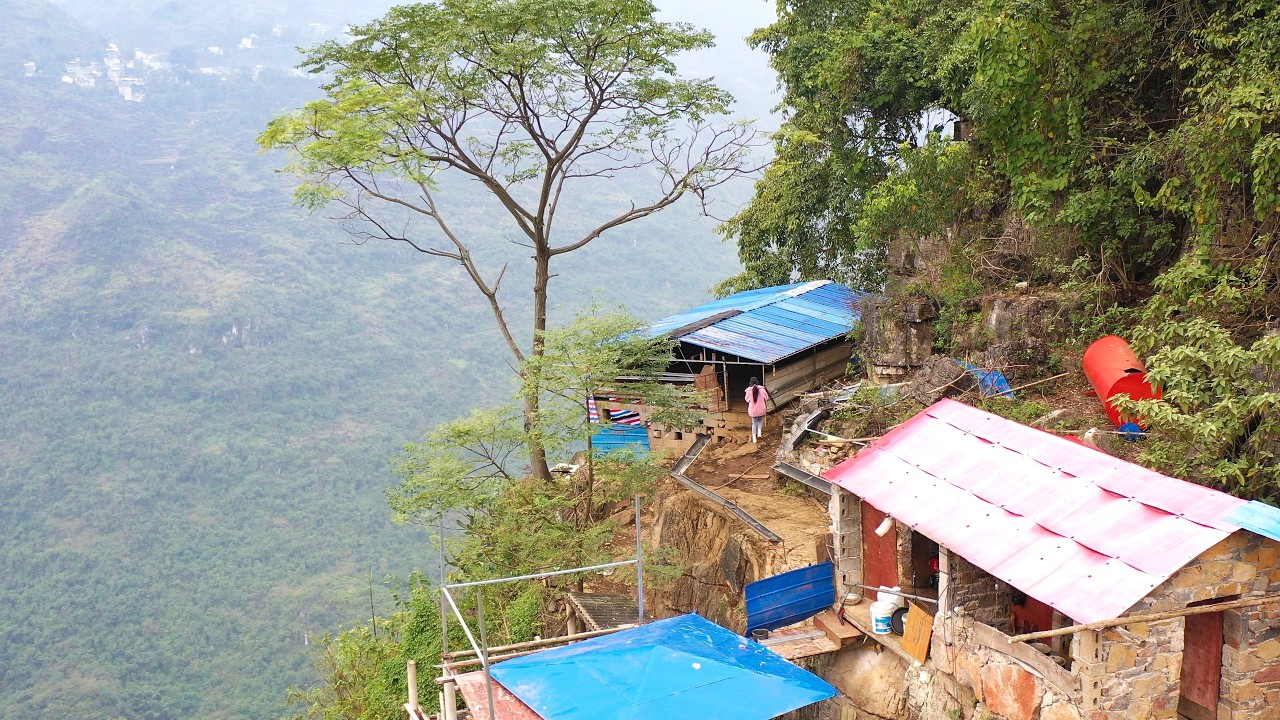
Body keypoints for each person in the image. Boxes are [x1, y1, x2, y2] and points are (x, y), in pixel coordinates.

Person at [745, 377, 770, 443]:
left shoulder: (748, 391)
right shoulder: (762, 390)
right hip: (761, 409)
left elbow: (747, 400)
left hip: (753, 410)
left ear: (750, 383)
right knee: (759, 421)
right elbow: (766, 398)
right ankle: (759, 433)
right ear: (757, 382)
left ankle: (754, 438)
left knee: (754, 423)